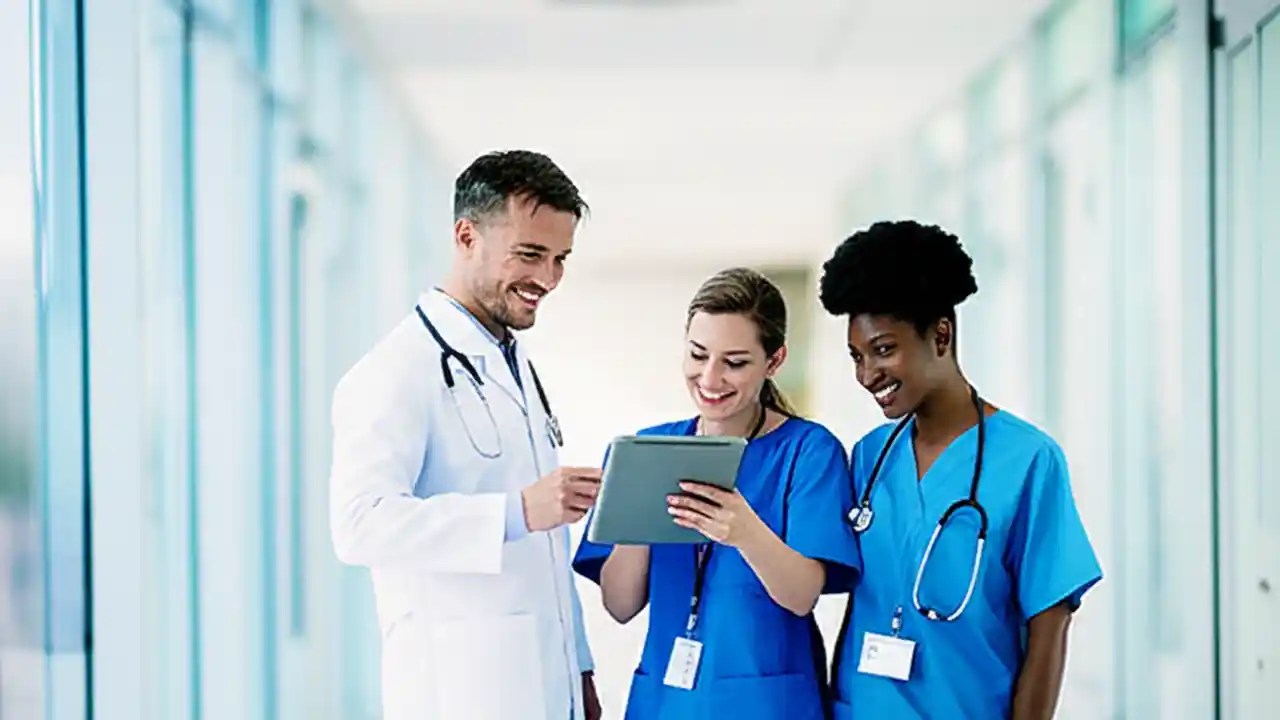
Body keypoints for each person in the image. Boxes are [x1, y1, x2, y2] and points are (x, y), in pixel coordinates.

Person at [329, 150, 604, 720]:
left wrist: (578, 664)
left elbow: (545, 546)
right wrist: (515, 511)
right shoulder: (395, 371)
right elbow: (359, 525)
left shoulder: (512, 364)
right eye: (530, 254)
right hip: (459, 687)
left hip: (546, 685)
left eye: (560, 258)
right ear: (466, 235)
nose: (548, 279)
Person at [819, 220, 1103, 719]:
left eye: (884, 350)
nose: (867, 375)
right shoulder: (869, 455)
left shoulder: (1028, 460)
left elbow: (1049, 625)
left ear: (942, 335)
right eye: (857, 357)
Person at [573, 267, 862, 720]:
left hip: (768, 705)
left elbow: (802, 595)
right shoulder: (647, 448)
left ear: (774, 361)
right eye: (698, 354)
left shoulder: (808, 451)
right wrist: (637, 507)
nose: (710, 378)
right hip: (666, 701)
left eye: (735, 362)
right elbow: (620, 605)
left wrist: (745, 531)